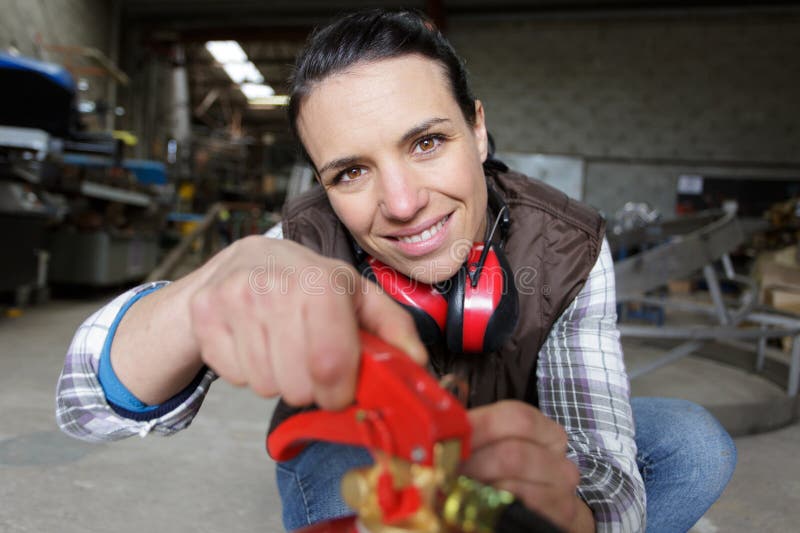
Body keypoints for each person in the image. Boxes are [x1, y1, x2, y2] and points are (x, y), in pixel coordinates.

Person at [56, 9, 736, 533]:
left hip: (511, 430)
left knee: (693, 444)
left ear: (477, 129)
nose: (404, 204)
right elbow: (83, 406)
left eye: (429, 141)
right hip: (360, 447)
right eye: (352, 171)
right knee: (350, 469)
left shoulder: (566, 243)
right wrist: (198, 296)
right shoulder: (305, 241)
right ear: (324, 182)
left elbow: (603, 446)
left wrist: (567, 509)